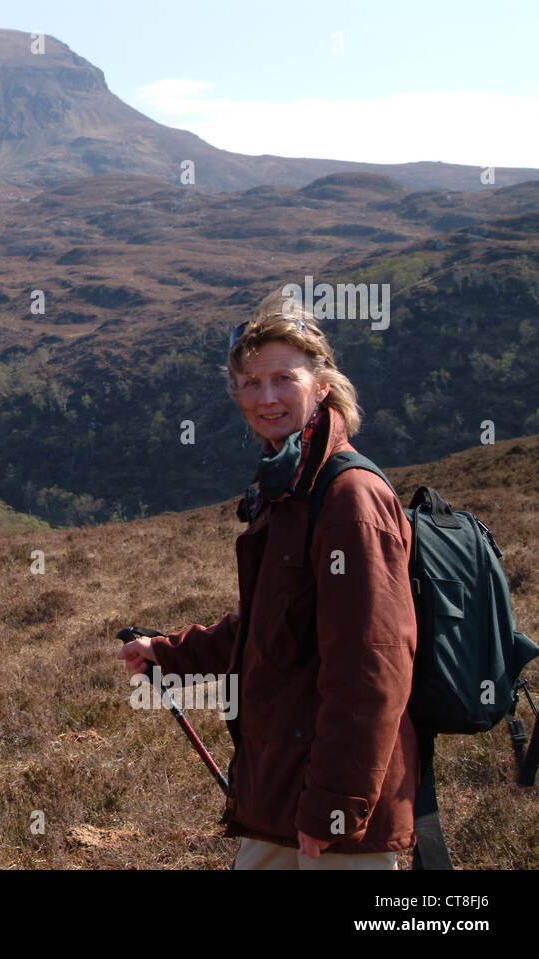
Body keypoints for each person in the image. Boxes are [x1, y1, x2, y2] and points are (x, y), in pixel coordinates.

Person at [117, 291, 419, 869]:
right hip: (281, 786)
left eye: (285, 378)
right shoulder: (287, 486)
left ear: (322, 385)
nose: (267, 397)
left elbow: (372, 668)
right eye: (251, 383)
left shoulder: (348, 498)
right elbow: (272, 625)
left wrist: (334, 806)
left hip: (330, 812)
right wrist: (171, 652)